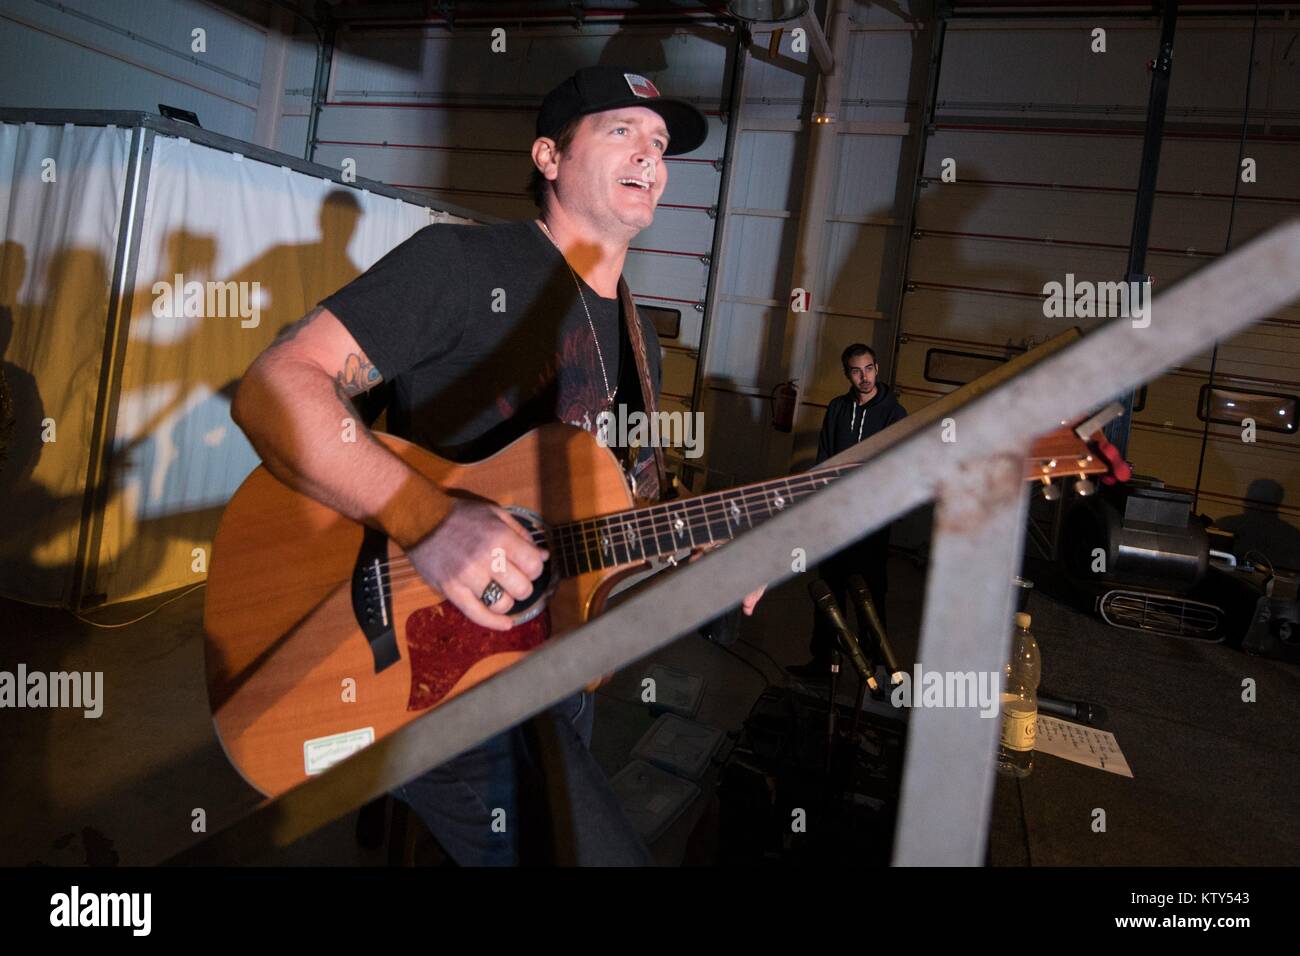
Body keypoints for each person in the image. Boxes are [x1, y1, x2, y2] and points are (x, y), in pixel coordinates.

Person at [231, 66, 762, 865]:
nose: (651, 155)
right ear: (549, 157)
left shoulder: (643, 340)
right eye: (622, 131)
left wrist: (704, 543)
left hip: (553, 663)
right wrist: (430, 521)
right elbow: (275, 387)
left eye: (659, 144)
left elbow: (614, 515)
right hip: (419, 664)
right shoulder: (462, 264)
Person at [787, 343, 907, 681]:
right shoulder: (838, 408)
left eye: (868, 368)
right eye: (856, 371)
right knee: (829, 588)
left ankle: (878, 666)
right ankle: (823, 662)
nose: (864, 377)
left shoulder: (894, 414)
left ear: (877, 368)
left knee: (869, 591)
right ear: (847, 374)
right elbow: (824, 457)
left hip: (870, 519)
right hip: (834, 517)